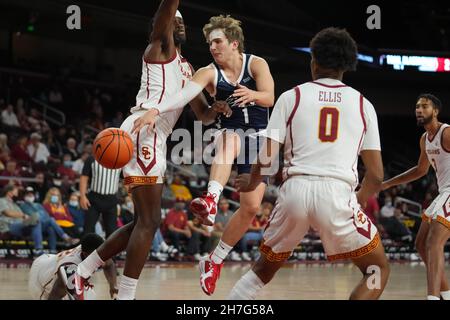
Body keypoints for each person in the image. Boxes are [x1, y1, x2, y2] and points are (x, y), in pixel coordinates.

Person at [229, 27, 390, 300]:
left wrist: (252, 180)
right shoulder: (364, 105)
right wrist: (359, 198)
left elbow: (267, 159)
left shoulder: (292, 96)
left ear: (313, 61)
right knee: (377, 269)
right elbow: (375, 175)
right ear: (347, 66)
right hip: (338, 193)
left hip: (295, 192)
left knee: (261, 272)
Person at [74, 0, 217, 300]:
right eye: (173, 20)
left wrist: (219, 108)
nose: (178, 24)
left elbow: (203, 113)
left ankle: (83, 271)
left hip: (158, 137)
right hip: (143, 130)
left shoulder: (188, 68)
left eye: (182, 22)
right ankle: (124, 295)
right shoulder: (158, 50)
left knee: (144, 221)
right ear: (163, 25)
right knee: (150, 222)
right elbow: (164, 15)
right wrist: (170, 6)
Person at [131, 15, 275, 295]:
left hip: (260, 136)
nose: (212, 47)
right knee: (231, 138)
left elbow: (269, 97)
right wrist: (156, 110)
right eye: (209, 43)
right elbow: (185, 96)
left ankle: (214, 260)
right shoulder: (208, 72)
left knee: (251, 207)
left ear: (234, 43)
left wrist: (253, 95)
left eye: (218, 41)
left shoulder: (256, 63)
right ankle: (211, 198)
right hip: (230, 132)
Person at [381, 94, 450, 300]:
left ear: (435, 111)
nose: (419, 110)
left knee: (433, 243)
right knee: (421, 244)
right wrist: (388, 183)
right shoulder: (424, 140)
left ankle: (432, 298)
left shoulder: (446, 133)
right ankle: (446, 295)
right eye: (417, 106)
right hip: (443, 192)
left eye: (424, 106)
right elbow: (420, 170)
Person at [28, 233, 117, 300]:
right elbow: (55, 295)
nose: (100, 258)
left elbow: (109, 264)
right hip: (41, 277)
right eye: (97, 256)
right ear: (85, 254)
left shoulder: (95, 251)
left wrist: (113, 286)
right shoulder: (70, 268)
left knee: (89, 296)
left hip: (51, 261)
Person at [19, 187, 78, 253]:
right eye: (28, 195)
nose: (30, 196)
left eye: (31, 195)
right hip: (34, 224)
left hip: (45, 224)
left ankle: (52, 250)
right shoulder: (24, 205)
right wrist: (61, 215)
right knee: (51, 220)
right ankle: (65, 237)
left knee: (51, 228)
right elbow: (35, 216)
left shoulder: (38, 205)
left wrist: (44, 215)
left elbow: (46, 215)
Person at [79, 155, 121, 238]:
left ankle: (110, 251)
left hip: (111, 200)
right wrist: (82, 196)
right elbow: (84, 177)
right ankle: (87, 251)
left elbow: (126, 178)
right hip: (94, 199)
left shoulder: (120, 160)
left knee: (112, 231)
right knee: (88, 229)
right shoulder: (92, 159)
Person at [0, 185, 44, 256]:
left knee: (36, 222)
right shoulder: (1, 201)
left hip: (20, 225)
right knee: (35, 220)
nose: (17, 191)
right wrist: (23, 216)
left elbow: (22, 216)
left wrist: (26, 218)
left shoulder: (14, 204)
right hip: (9, 226)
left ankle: (38, 250)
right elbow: (8, 213)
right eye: (15, 190)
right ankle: (38, 249)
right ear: (9, 192)